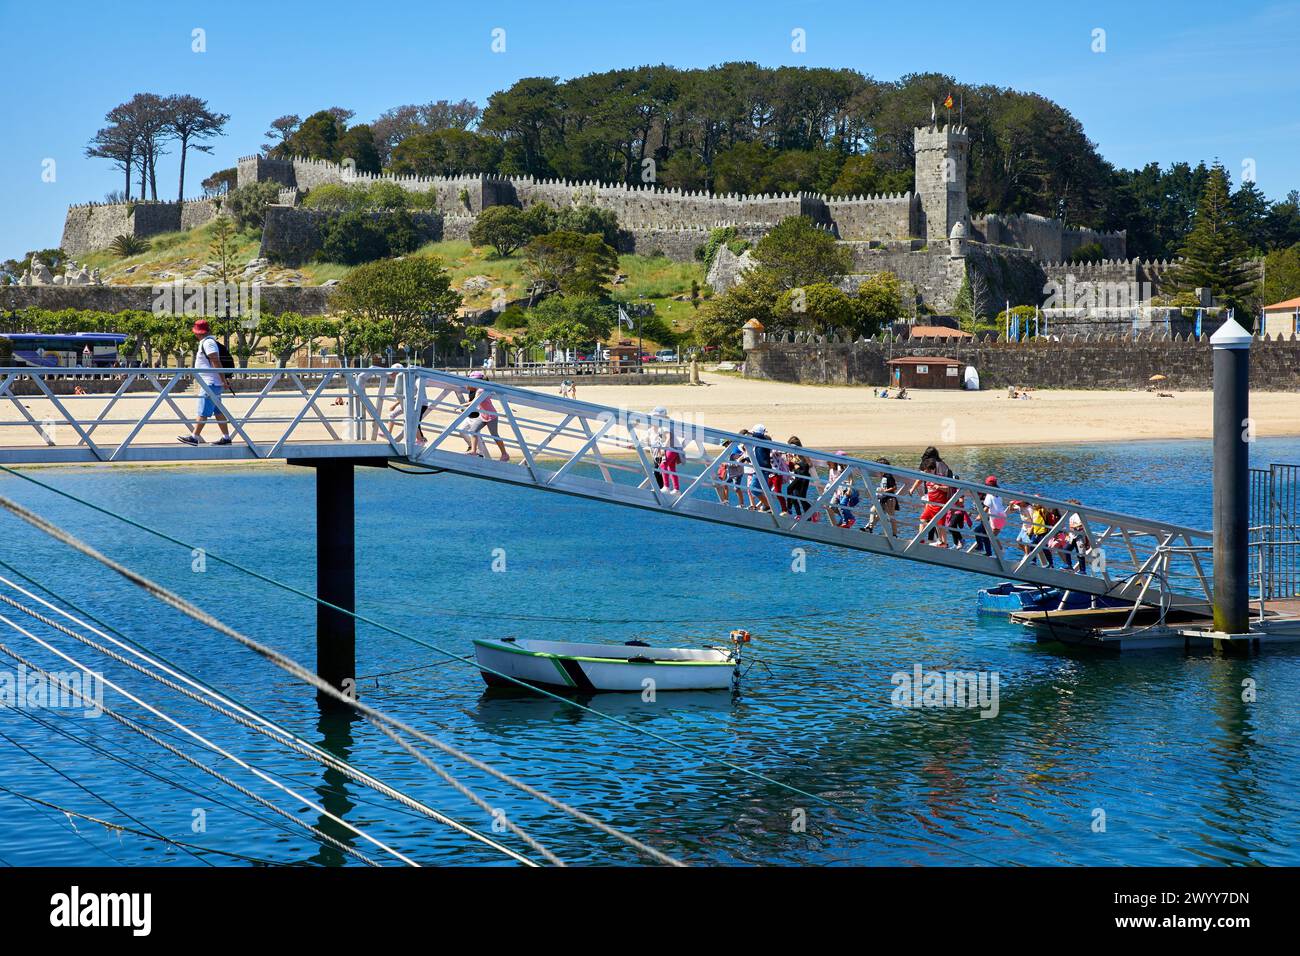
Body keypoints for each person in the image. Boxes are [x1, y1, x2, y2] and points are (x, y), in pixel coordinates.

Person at [178, 319, 231, 446]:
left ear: (197, 333)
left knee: (203, 411)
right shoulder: (208, 342)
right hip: (212, 383)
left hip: (210, 383)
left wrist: (224, 380)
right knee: (218, 412)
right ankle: (226, 437)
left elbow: (215, 361)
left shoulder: (208, 343)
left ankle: (194, 437)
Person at [464, 371, 510, 461]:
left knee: (494, 435)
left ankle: (505, 454)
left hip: (491, 416)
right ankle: (473, 450)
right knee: (473, 431)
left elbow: (474, 402)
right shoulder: (481, 389)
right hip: (483, 416)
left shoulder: (481, 390)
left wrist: (462, 405)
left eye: (472, 381)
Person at [974, 476, 1006, 557]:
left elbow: (986, 508)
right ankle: (994, 552)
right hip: (1002, 516)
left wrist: (979, 517)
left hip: (995, 518)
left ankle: (982, 548)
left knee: (980, 532)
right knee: (990, 536)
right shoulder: (999, 494)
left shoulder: (989, 495)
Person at [865, 457, 899, 535]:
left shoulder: (888, 476)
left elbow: (894, 487)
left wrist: (884, 491)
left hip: (890, 499)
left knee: (891, 517)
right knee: (873, 510)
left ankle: (894, 534)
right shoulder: (883, 476)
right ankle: (870, 527)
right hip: (883, 499)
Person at [784, 437, 812, 517]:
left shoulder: (803, 453)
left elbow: (810, 464)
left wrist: (798, 465)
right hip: (797, 477)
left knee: (801, 497)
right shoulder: (793, 454)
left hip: (804, 477)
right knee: (792, 492)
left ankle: (810, 514)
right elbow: (792, 466)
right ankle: (793, 510)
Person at [748, 424, 773, 511]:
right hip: (761, 469)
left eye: (753, 433)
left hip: (761, 469)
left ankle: (768, 506)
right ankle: (767, 506)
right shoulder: (763, 441)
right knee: (759, 489)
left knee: (753, 489)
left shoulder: (761, 441)